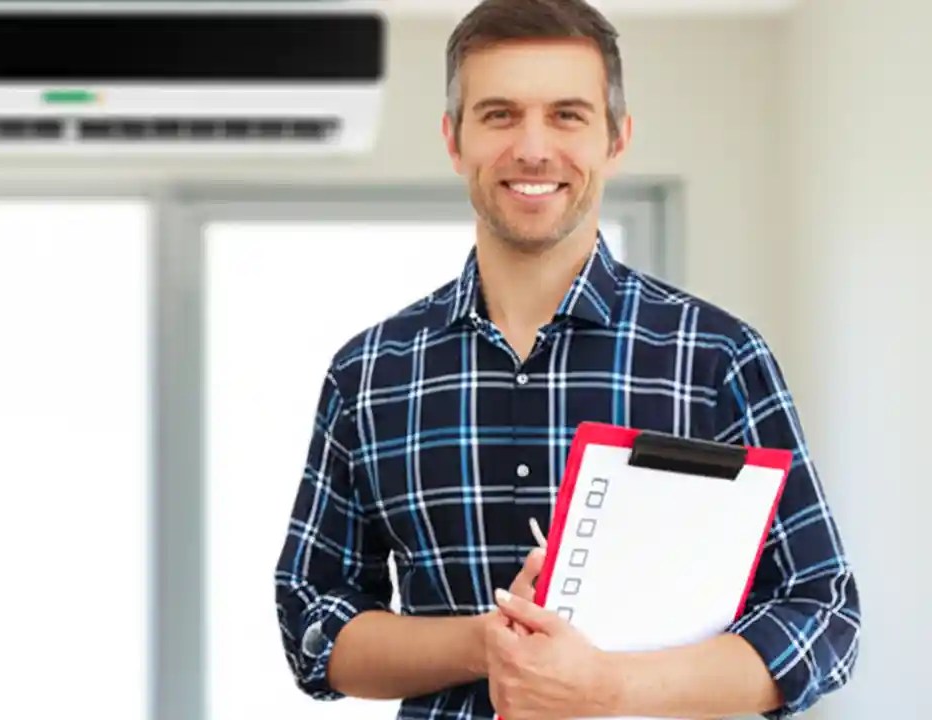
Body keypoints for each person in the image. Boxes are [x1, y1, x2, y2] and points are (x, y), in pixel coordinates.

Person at [272, 0, 861, 718]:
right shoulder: (370, 373)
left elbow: (822, 613)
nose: (532, 148)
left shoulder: (717, 358)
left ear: (617, 139)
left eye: (567, 115)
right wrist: (491, 642)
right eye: (499, 115)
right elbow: (313, 624)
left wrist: (606, 688)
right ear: (454, 141)